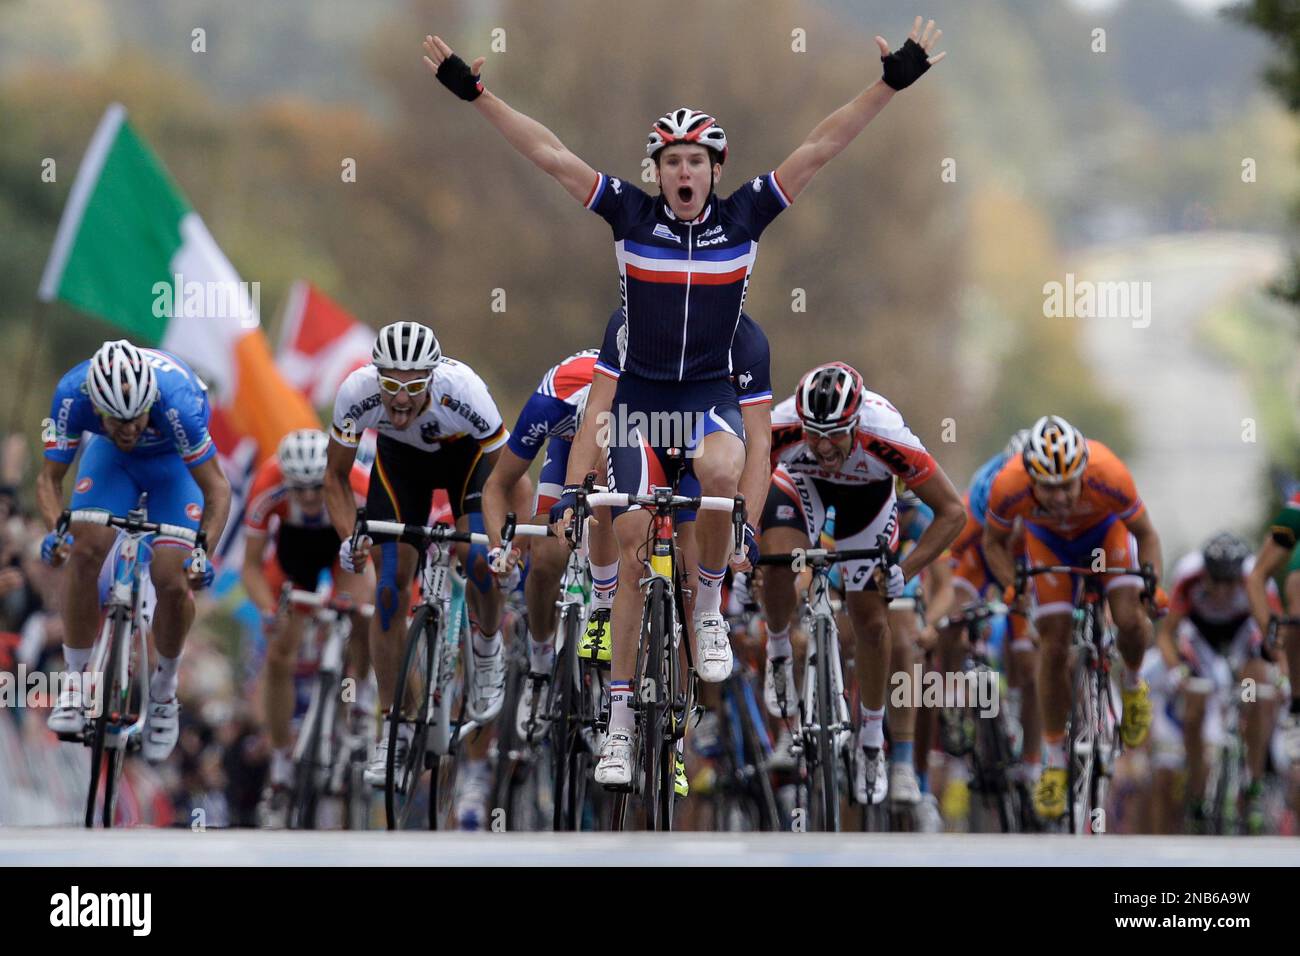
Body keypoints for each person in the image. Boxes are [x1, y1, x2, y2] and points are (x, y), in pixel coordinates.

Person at [423, 17, 945, 788]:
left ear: (714, 167)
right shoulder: (631, 216)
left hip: (706, 394)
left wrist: (890, 83)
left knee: (724, 464)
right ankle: (623, 724)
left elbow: (821, 147)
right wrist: (477, 95)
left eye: (696, 159)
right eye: (671, 161)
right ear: (659, 172)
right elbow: (549, 156)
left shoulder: (744, 218)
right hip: (637, 399)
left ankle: (706, 607)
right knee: (632, 547)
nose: (683, 171)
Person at [323, 321, 526, 802]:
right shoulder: (357, 393)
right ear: (377, 378)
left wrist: (507, 545)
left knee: (477, 558)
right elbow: (334, 477)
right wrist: (350, 537)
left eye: (413, 387)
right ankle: (395, 728)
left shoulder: (466, 392)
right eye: (390, 384)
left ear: (432, 380)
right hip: (402, 467)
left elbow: (513, 477)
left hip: (468, 465)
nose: (399, 399)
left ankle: (487, 646)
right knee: (390, 591)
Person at [757, 362, 965, 804]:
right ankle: (777, 651)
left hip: (866, 498)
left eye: (835, 434)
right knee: (778, 562)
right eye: (814, 434)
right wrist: (741, 549)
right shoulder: (781, 425)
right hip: (802, 484)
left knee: (871, 620)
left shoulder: (886, 433)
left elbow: (952, 514)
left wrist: (903, 572)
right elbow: (745, 485)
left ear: (856, 421)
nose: (824, 444)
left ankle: (872, 738)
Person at [36, 340, 231, 761]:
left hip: (173, 467)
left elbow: (217, 489)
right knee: (85, 552)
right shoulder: (70, 394)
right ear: (95, 406)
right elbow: (49, 479)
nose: (128, 429)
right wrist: (58, 534)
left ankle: (163, 691)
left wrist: (203, 554)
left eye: (136, 418)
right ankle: (75, 683)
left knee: (172, 578)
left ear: (151, 402)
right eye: (114, 420)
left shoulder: (179, 402)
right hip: (111, 463)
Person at [982, 414, 1165, 823]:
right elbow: (992, 542)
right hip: (1048, 545)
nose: (1062, 497)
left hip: (1106, 535)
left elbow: (1148, 534)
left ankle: (1133, 686)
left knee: (1129, 618)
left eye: (1069, 484)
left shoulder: (1109, 473)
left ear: (1083, 470)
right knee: (1053, 643)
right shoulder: (1008, 486)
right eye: (1049, 487)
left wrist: (1151, 586)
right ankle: (1054, 762)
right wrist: (1012, 585)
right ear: (1031, 479)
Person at [240, 428, 374, 824]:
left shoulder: (358, 483)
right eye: (300, 489)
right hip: (292, 557)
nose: (312, 497)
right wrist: (269, 610)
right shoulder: (267, 486)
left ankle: (361, 694)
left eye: (317, 487)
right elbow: (250, 566)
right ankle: (281, 763)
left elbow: (376, 558)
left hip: (342, 550)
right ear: (286, 481)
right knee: (281, 653)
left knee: (364, 612)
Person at [1143, 532, 1280, 833]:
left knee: (1255, 692)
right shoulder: (1188, 575)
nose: (1220, 590)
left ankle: (1254, 786)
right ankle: (1197, 792)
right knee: (1194, 705)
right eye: (1214, 581)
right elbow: (1166, 635)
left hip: (1244, 636)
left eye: (1228, 583)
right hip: (1201, 638)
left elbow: (1273, 639)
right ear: (1204, 573)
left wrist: (1281, 673)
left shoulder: (1258, 579)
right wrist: (1177, 672)